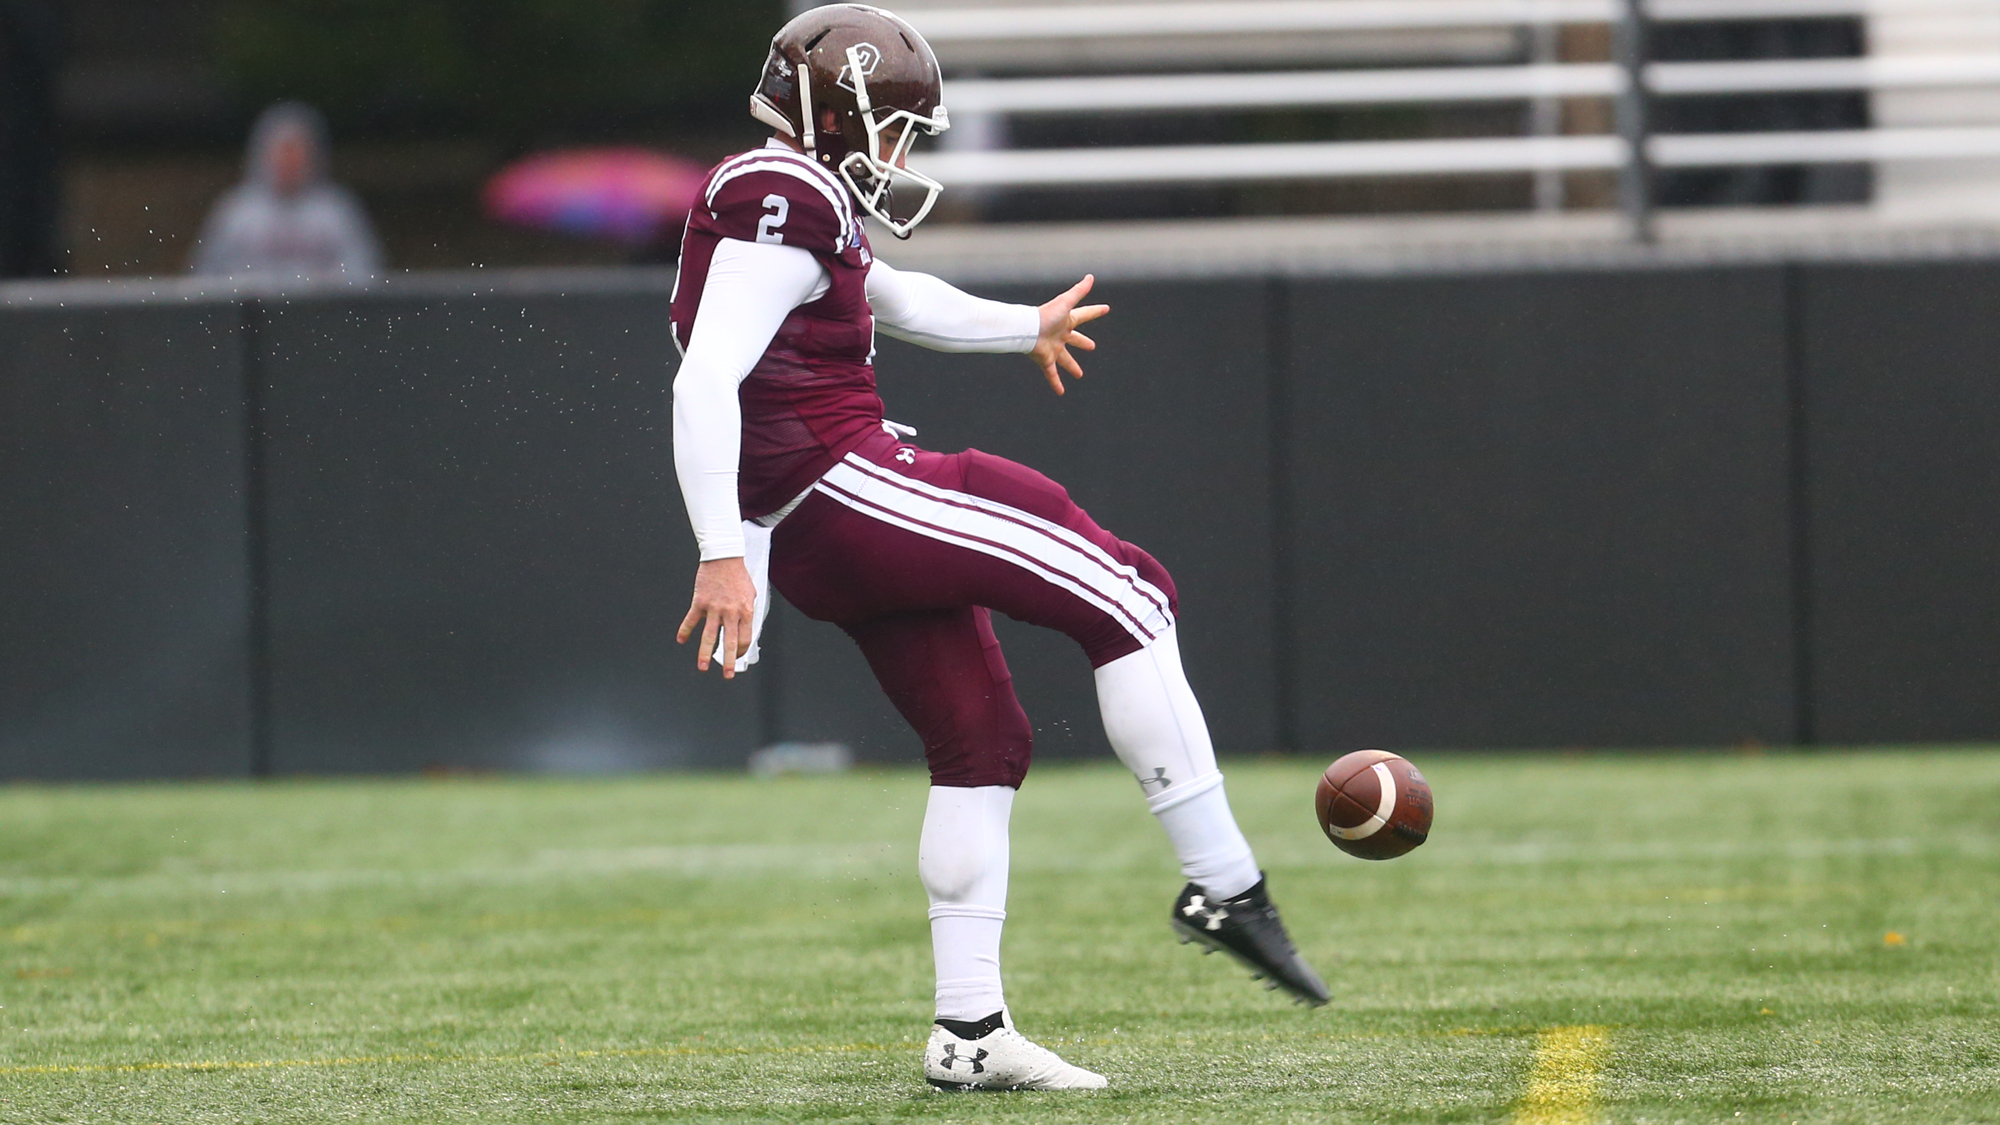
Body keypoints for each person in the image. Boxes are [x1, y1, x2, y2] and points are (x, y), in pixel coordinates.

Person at [669, 4, 1328, 1092]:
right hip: (845, 485)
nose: (896, 154)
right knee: (1132, 593)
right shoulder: (777, 192)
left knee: (980, 738)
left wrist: (1024, 325)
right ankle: (1224, 884)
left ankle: (968, 1032)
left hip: (815, 515)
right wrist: (718, 550)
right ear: (834, 112)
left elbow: (891, 298)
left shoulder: (799, 199)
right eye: (890, 128)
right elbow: (705, 378)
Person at [190, 103, 381, 280]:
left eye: (297, 153)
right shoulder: (236, 213)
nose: (289, 162)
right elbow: (207, 274)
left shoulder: (337, 212)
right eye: (282, 152)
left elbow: (365, 271)